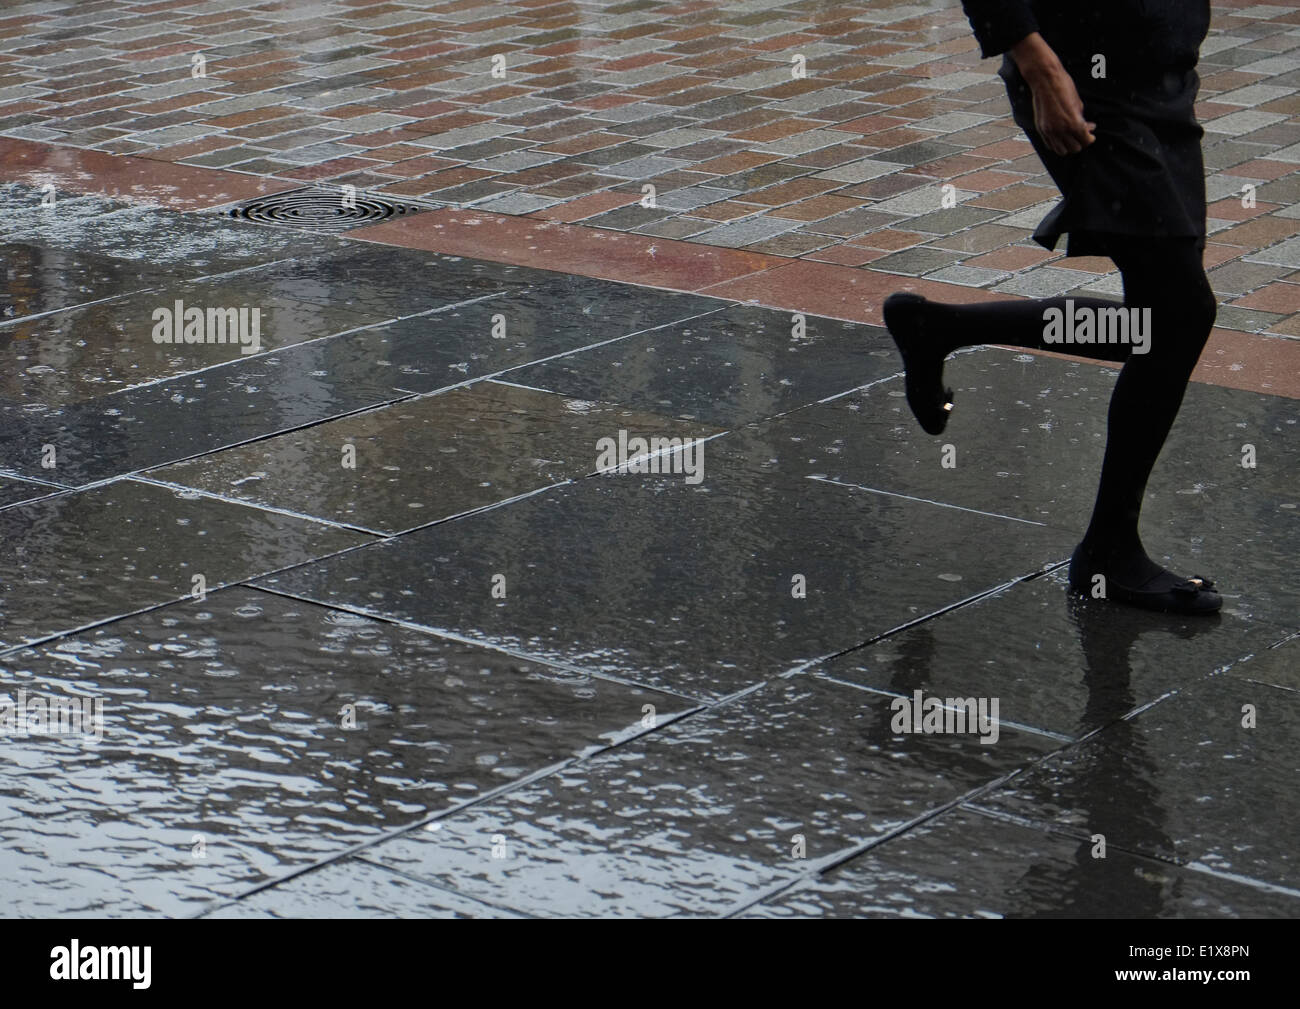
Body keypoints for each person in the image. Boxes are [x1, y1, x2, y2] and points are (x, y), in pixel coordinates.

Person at [884, 0, 1221, 614]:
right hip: (1083, 85)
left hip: (1164, 74)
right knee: (1179, 318)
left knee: (1162, 326)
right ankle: (1108, 551)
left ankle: (938, 327)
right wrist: (1037, 65)